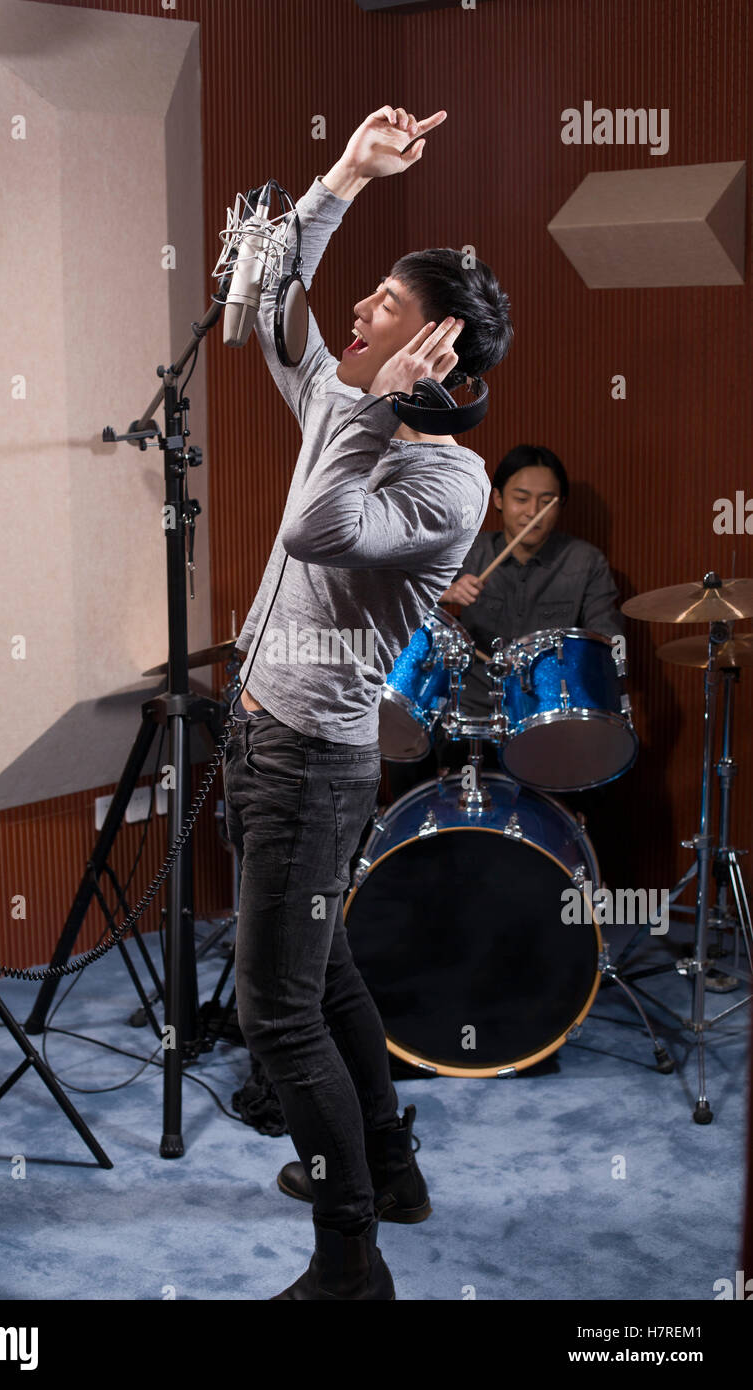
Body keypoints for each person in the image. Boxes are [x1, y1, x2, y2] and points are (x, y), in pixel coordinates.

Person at [223, 105, 513, 1300]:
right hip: (261, 735)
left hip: (311, 759)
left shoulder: (445, 477)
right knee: (320, 963)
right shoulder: (346, 406)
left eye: (383, 305)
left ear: (436, 347)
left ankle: (349, 1253)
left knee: (274, 1012)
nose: (354, 313)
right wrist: (340, 175)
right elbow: (258, 310)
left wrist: (375, 405)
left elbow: (311, 525)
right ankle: (387, 1165)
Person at [386, 445, 627, 878]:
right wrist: (444, 593)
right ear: (497, 499)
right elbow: (395, 597)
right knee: (403, 759)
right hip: (469, 714)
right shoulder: (466, 552)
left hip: (542, 720)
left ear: (561, 504)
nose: (532, 511)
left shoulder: (585, 562)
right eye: (521, 498)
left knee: (599, 783)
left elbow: (608, 642)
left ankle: (566, 903)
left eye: (547, 501)